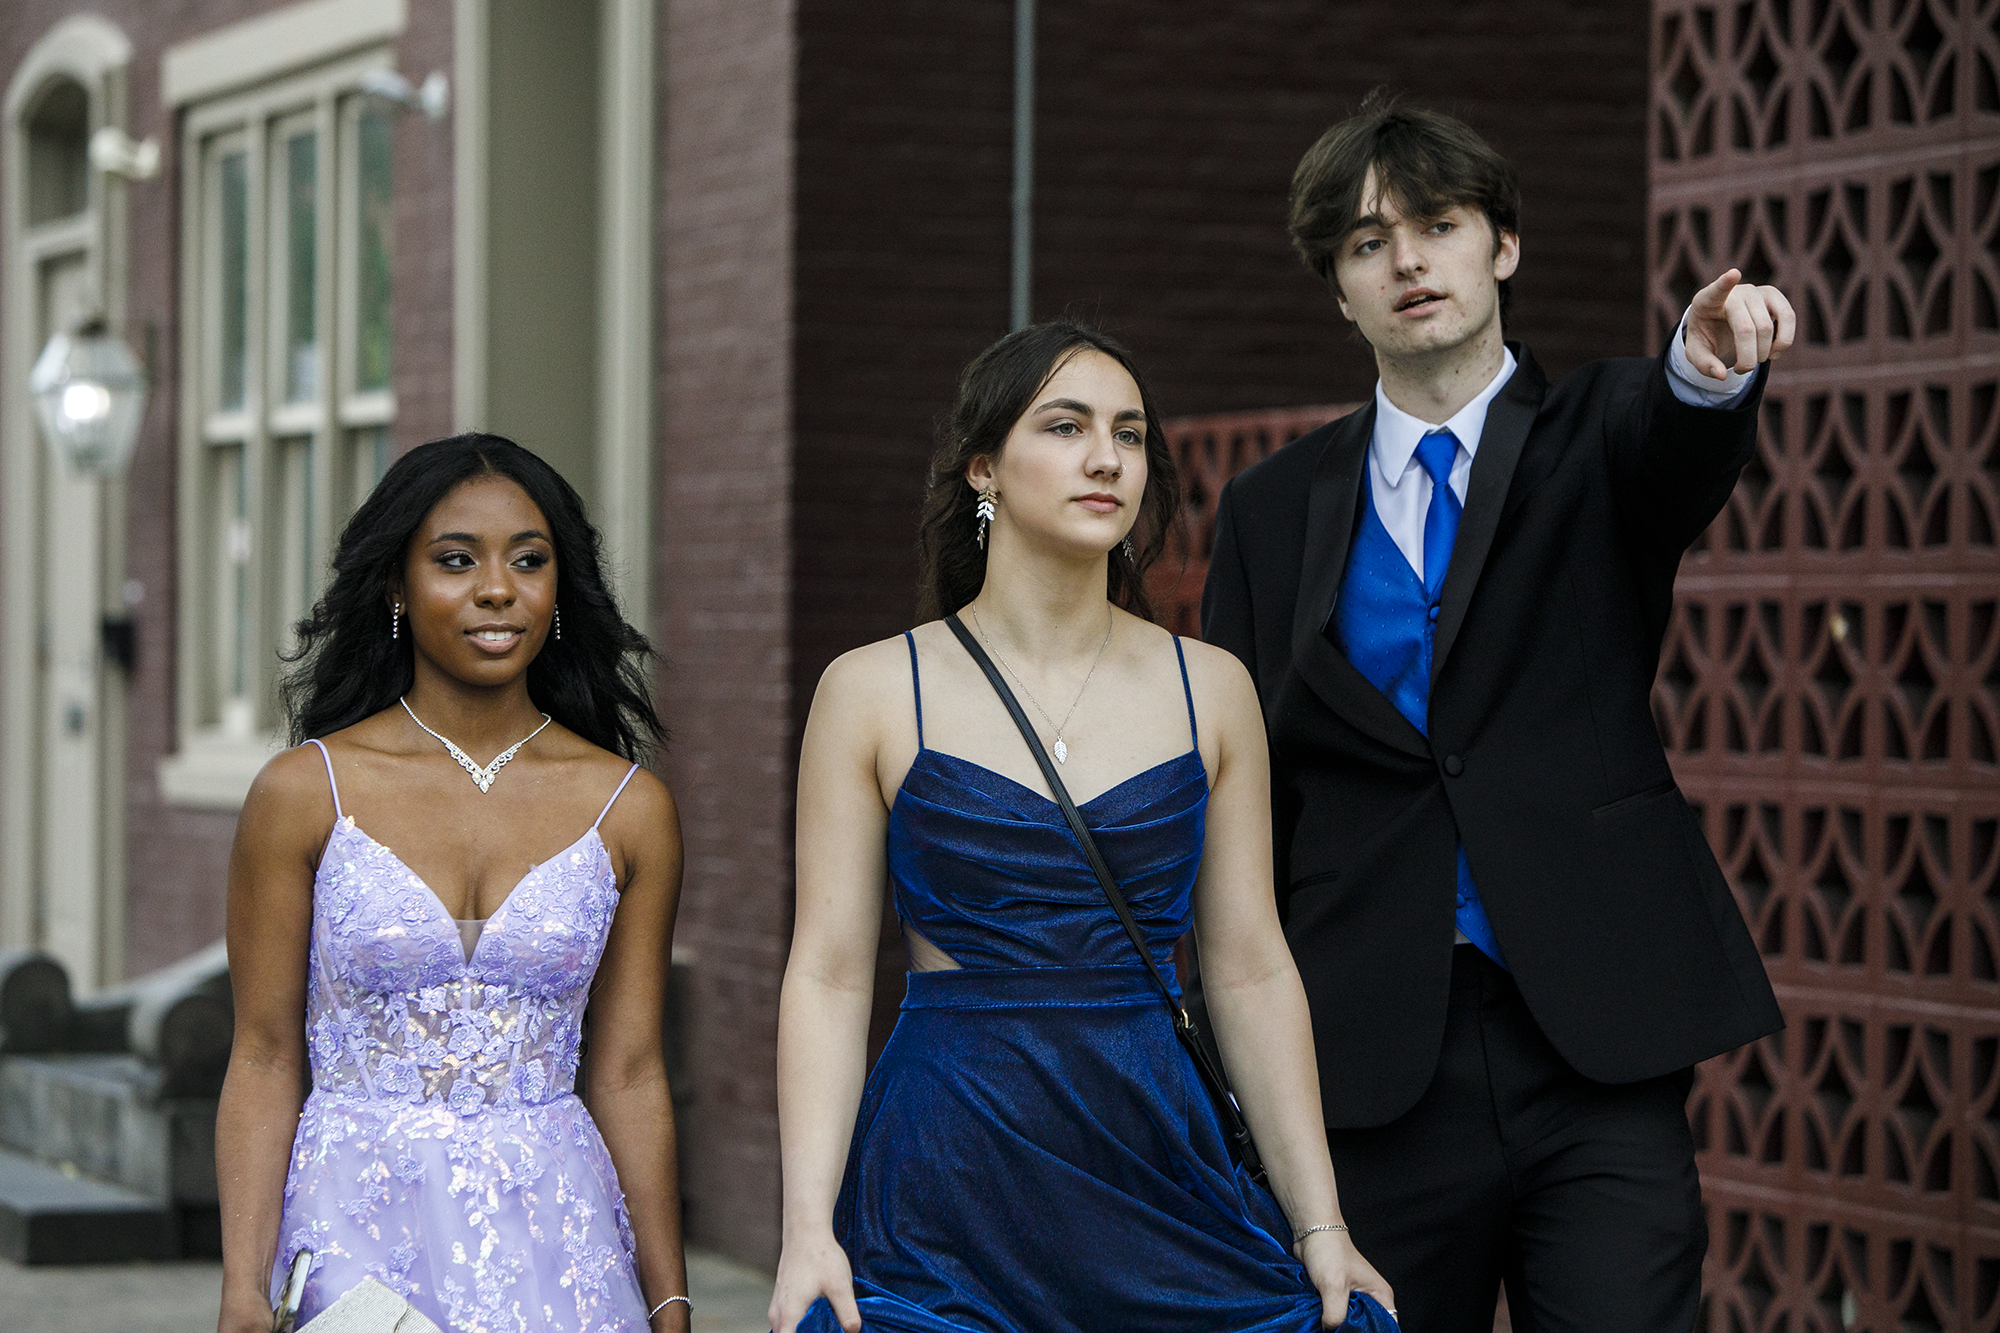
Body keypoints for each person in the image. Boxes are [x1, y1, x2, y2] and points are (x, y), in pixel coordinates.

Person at [1200, 96, 1794, 1332]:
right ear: (1339, 291)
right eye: (1367, 243)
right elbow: (1242, 790)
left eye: (1438, 224)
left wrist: (1704, 367)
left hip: (1590, 1036)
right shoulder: (1268, 511)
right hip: (1366, 1053)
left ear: (1500, 249)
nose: (1407, 259)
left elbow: (1674, 441)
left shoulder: (1595, 438)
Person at [769, 321, 1395, 1333]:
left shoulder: (1211, 689)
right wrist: (806, 1227)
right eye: (1065, 427)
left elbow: (1246, 967)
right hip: (945, 1172)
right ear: (984, 469)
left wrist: (1320, 1224)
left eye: (1130, 433)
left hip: (1154, 1155)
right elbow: (829, 974)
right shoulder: (874, 689)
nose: (1107, 456)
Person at [213, 434, 691, 1333]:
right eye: (456, 560)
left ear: (558, 587)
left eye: (529, 560)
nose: (497, 588)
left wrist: (668, 1295)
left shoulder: (630, 809)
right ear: (396, 585)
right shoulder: (304, 792)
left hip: (562, 1242)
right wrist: (244, 1281)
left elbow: (628, 1071)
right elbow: (265, 1053)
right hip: (353, 1232)